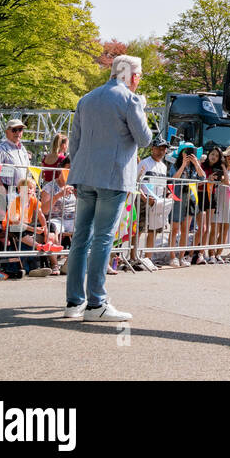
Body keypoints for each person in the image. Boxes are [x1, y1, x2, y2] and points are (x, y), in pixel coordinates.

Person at [64, 54, 152, 322]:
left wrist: (76, 174)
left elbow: (74, 141)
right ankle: (96, 303)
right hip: (113, 176)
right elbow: (144, 138)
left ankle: (74, 302)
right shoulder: (130, 99)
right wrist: (142, 109)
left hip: (85, 174)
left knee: (81, 238)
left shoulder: (87, 99)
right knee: (103, 238)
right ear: (133, 76)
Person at [0, 119, 34, 191]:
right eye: (14, 130)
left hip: (23, 190)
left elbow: (28, 171)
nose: (17, 132)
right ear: (6, 132)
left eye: (20, 129)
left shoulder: (22, 149)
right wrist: (2, 190)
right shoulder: (0, 149)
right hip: (6, 189)